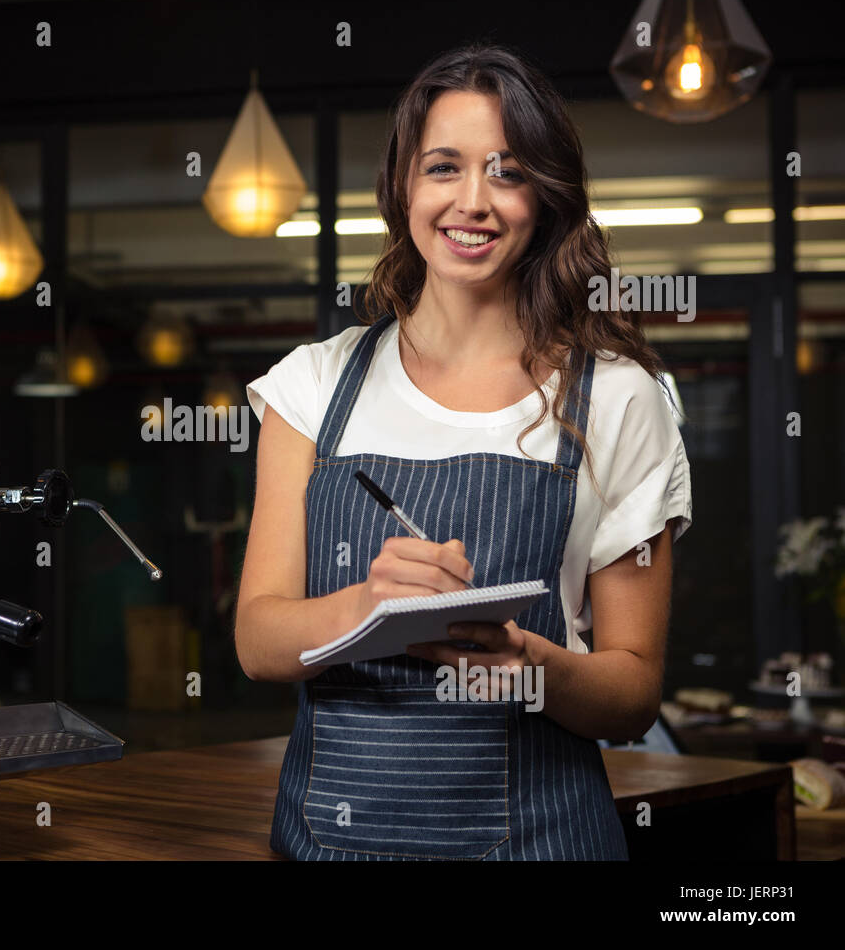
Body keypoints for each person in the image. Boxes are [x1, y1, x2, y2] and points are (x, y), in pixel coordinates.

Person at [236, 43, 693, 860]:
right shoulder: (312, 386)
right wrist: (369, 606)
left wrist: (530, 666)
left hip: (542, 843)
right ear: (404, 187)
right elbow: (260, 642)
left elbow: (633, 693)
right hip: (329, 842)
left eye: (508, 172)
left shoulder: (619, 398)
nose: (472, 201)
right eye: (443, 167)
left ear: (545, 199)